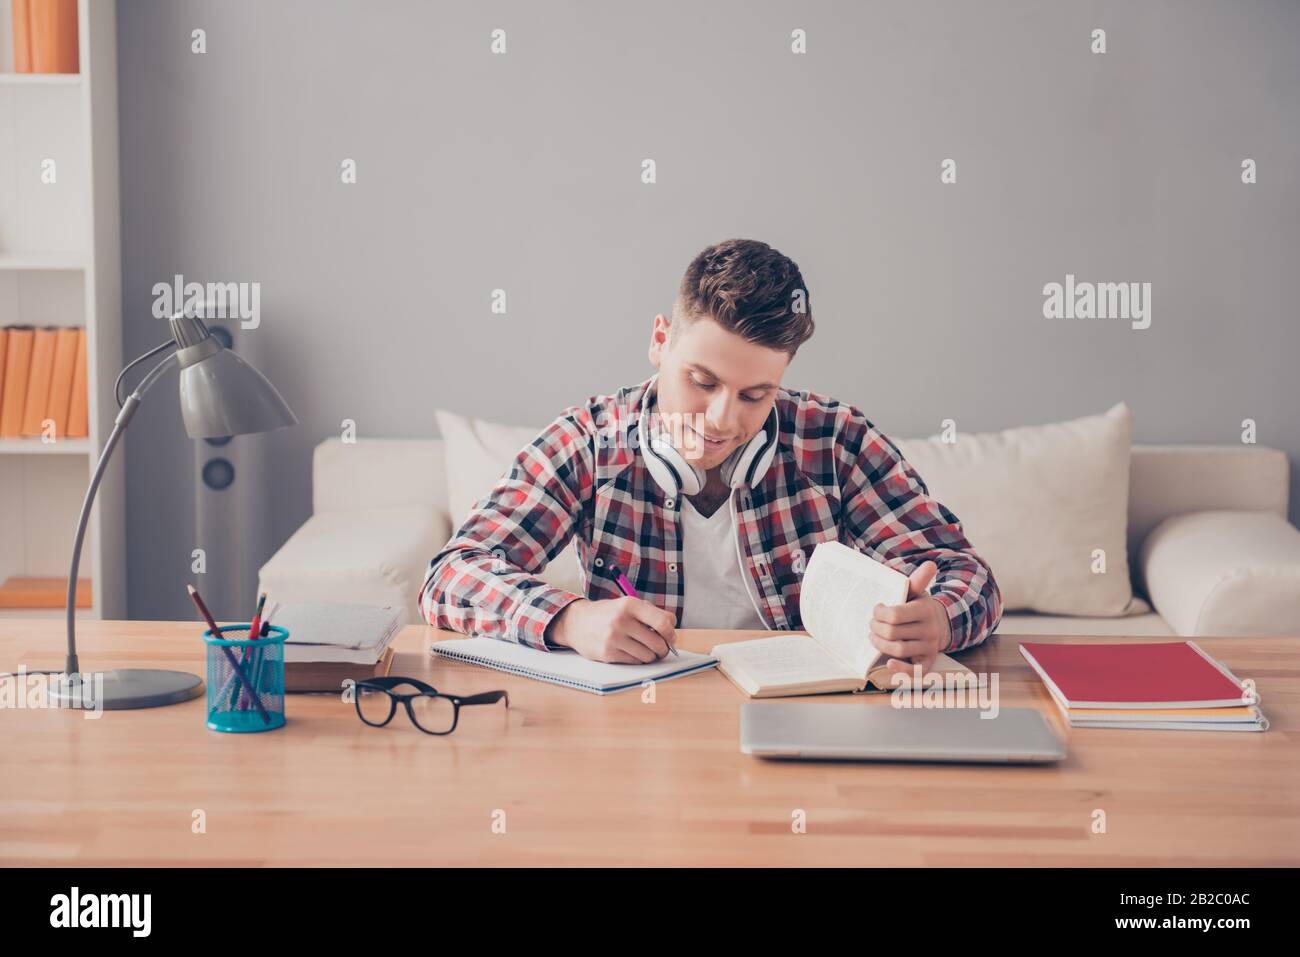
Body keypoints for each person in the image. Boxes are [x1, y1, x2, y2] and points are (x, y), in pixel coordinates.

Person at [420, 239, 1002, 675]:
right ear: (659, 341)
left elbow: (967, 574)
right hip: (642, 725)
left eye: (756, 394)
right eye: (701, 381)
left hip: (800, 717)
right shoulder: (588, 442)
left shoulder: (836, 440)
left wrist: (941, 619)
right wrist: (568, 620)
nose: (723, 420)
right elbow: (449, 577)